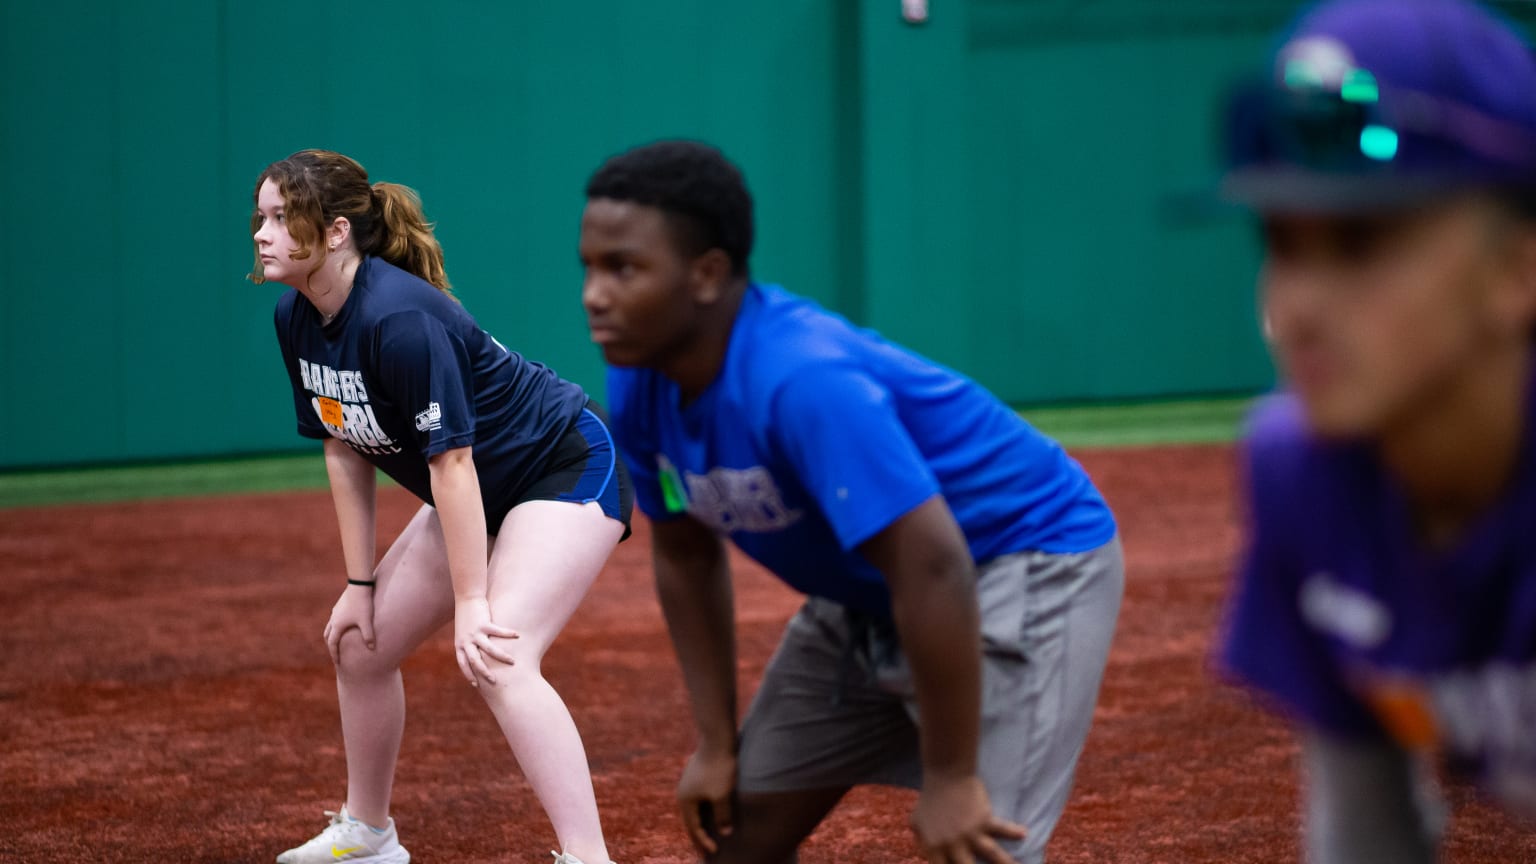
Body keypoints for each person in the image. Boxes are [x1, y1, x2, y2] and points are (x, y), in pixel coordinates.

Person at [579, 139, 1123, 864]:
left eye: (624, 268)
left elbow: (934, 566)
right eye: (589, 267)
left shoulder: (800, 380)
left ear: (706, 274)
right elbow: (684, 552)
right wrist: (714, 743)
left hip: (1020, 561)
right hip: (871, 587)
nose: (595, 294)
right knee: (739, 831)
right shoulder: (642, 376)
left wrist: (953, 777)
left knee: (981, 846)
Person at [1216, 1, 1536, 861]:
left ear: (1517, 268)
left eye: (1361, 242)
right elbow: (1367, 839)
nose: (1298, 307)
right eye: (1280, 242)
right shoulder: (1305, 476)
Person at [253, 149, 632, 864]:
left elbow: (452, 465)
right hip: (477, 487)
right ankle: (368, 835)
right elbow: (342, 444)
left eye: (281, 218)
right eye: (261, 218)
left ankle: (588, 858)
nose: (262, 234)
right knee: (360, 647)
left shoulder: (399, 318)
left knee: (499, 655)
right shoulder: (295, 316)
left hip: (561, 463)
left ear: (335, 232)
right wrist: (358, 585)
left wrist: (474, 600)